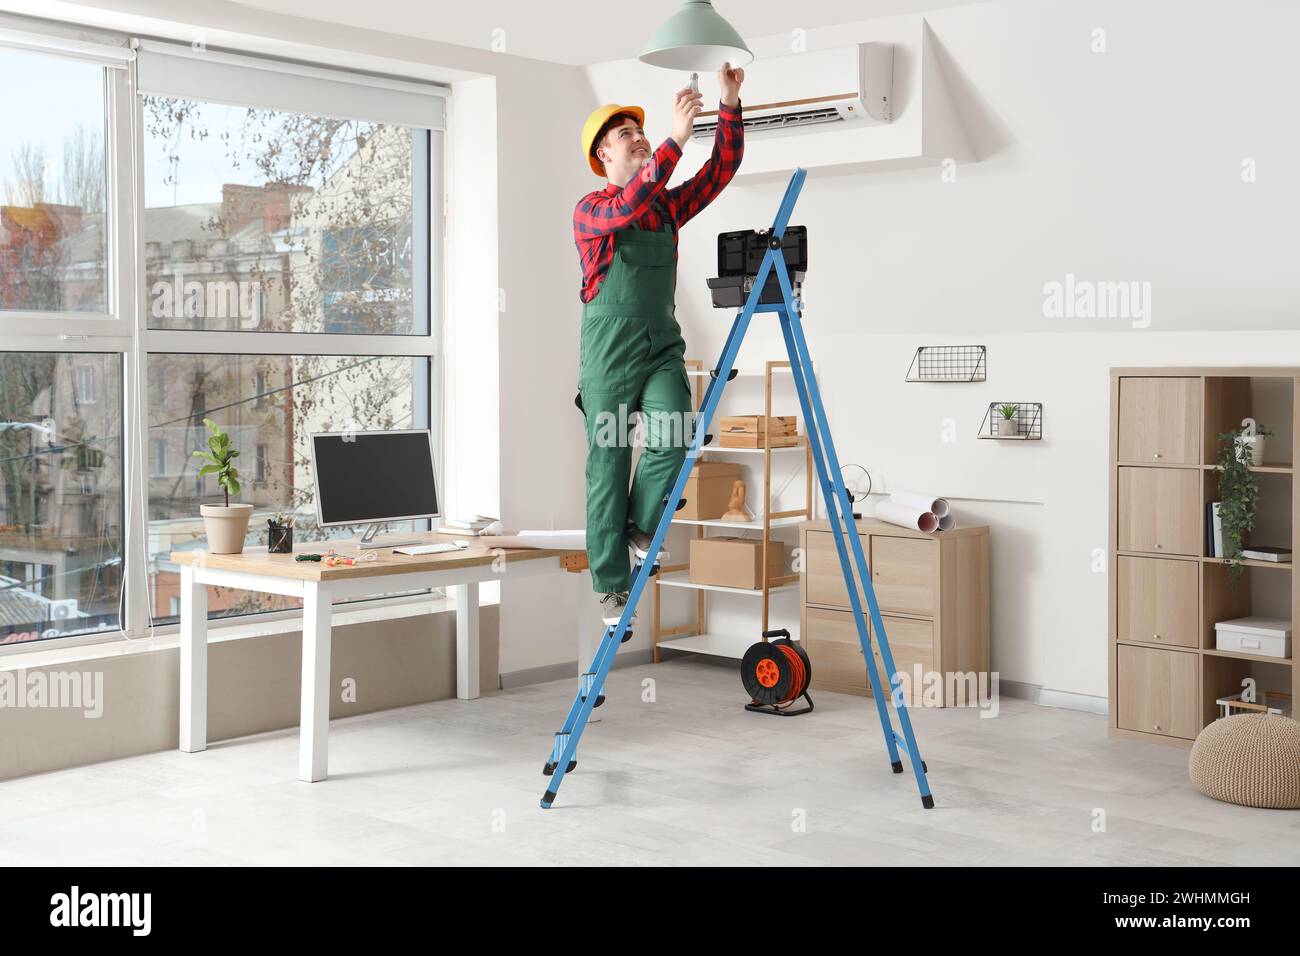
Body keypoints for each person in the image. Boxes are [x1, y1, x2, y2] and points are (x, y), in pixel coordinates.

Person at [574, 65, 745, 625]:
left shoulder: (667, 208)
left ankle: (640, 527)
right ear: (604, 156)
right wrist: (674, 139)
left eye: (642, 133)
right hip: (608, 355)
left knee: (674, 436)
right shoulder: (592, 211)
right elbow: (630, 204)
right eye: (627, 135)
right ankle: (611, 584)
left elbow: (720, 171)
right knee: (609, 463)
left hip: (660, 346)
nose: (638, 138)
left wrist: (728, 102)